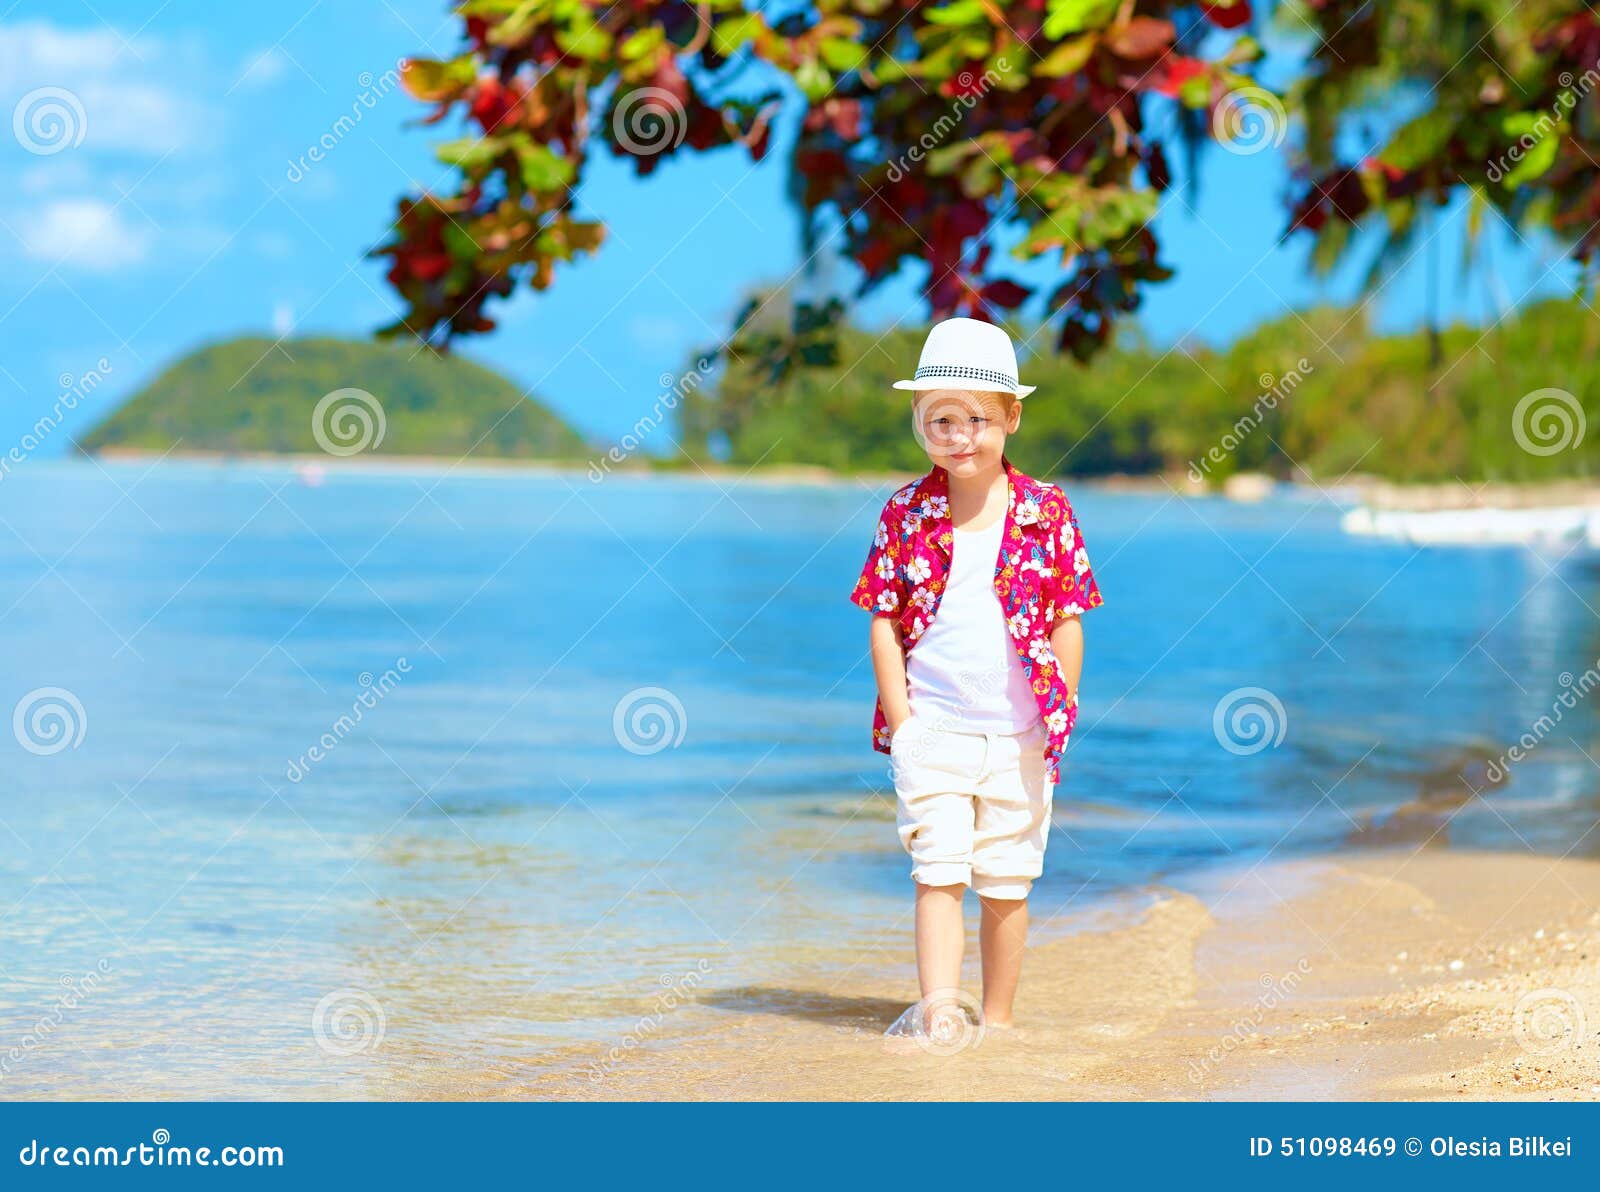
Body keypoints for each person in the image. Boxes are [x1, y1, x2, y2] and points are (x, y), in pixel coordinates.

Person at [849, 317, 1103, 1045]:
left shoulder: (1045, 511)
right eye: (941, 421)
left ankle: (998, 1022)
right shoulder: (905, 511)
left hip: (1022, 731)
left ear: (1013, 417)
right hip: (933, 728)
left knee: (1007, 881)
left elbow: (1068, 620)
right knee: (938, 872)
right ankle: (939, 1014)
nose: (961, 436)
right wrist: (903, 725)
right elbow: (883, 622)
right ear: (920, 423)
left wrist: (1061, 717)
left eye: (978, 419)